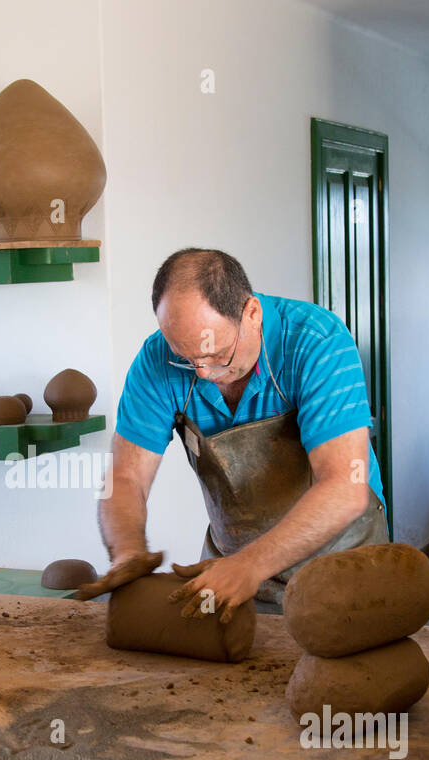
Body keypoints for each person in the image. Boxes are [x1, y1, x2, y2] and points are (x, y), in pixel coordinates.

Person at [79, 248, 388, 619]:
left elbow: (344, 486)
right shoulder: (158, 360)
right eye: (187, 358)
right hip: (233, 568)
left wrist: (251, 566)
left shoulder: (316, 342)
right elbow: (126, 477)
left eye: (219, 354)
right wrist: (127, 550)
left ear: (252, 313)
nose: (204, 373)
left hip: (341, 565)